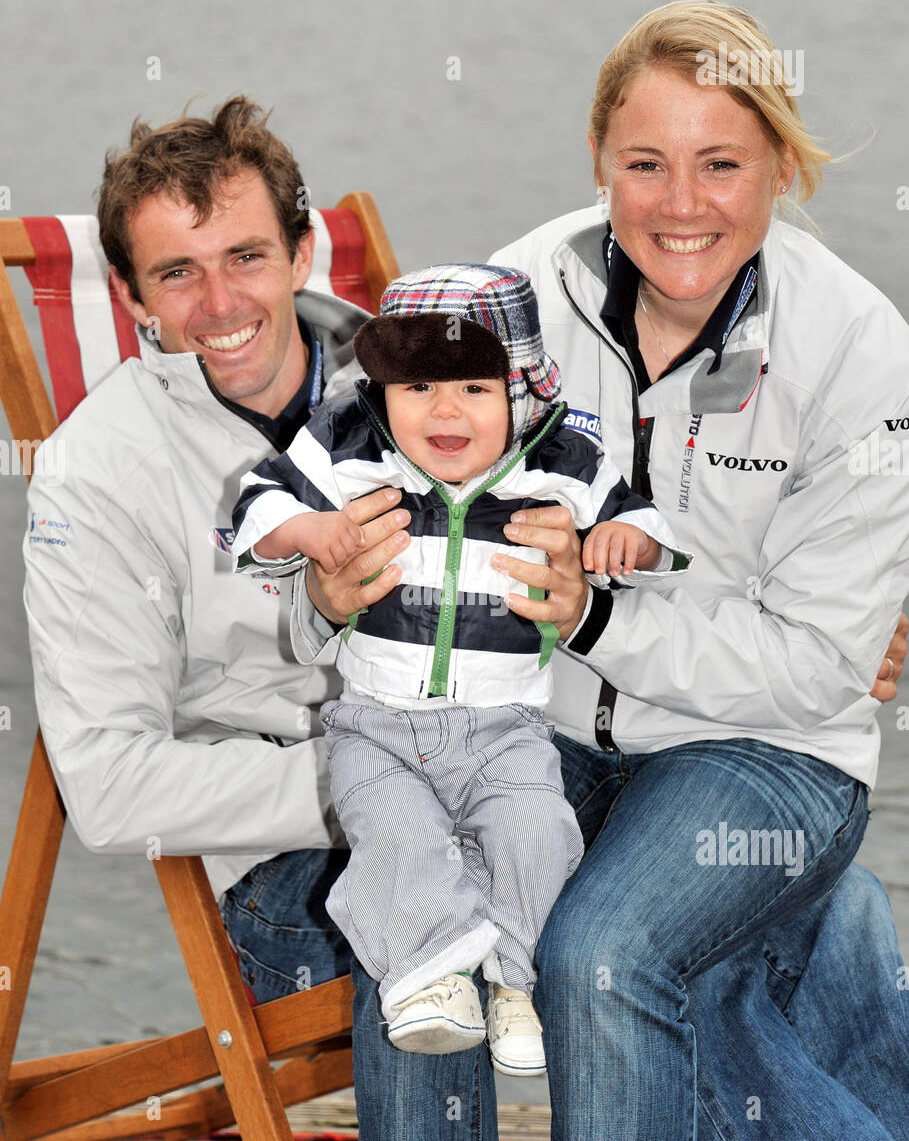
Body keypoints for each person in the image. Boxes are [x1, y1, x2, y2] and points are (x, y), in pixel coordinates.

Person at [21, 89, 907, 1141]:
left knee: (799, 882)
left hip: (515, 754)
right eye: (175, 273)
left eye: (246, 253)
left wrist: (842, 621)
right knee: (554, 914)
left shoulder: (424, 364)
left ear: (304, 249)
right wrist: (385, 774)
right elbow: (111, 786)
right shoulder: (100, 482)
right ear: (130, 297)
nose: (222, 302)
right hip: (303, 861)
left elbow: (612, 509)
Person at [294, 0, 909, 1141]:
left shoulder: (861, 351)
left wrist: (596, 619)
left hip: (766, 755)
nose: (682, 203)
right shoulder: (515, 295)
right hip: (530, 728)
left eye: (722, 162)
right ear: (597, 160)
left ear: (781, 167)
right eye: (645, 162)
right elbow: (385, 485)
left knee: (601, 956)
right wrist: (325, 583)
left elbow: (823, 665)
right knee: (419, 940)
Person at [231, 262, 682, 1072]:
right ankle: (431, 975)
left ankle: (515, 985)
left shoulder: (562, 461)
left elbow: (641, 523)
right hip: (376, 723)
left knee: (536, 833)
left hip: (505, 726)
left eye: (474, 389)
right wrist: (305, 536)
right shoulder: (351, 441)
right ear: (382, 390)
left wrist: (625, 545)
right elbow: (259, 501)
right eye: (417, 390)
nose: (443, 410)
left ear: (523, 396)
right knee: (394, 834)